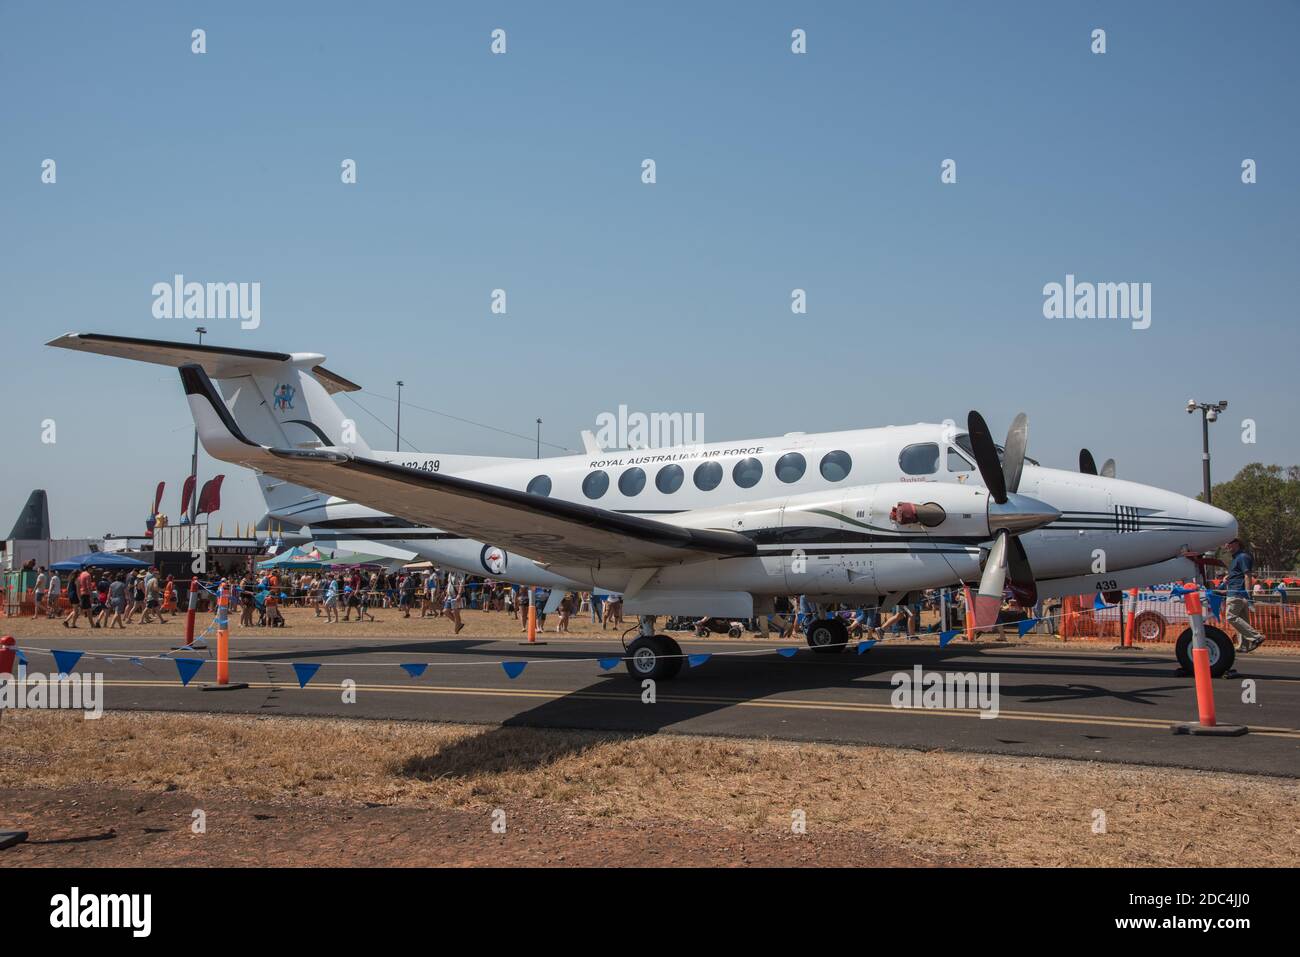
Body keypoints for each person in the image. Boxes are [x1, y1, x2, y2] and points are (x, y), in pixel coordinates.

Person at [1223, 537, 1266, 653]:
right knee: (1242, 619)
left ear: (1236, 543)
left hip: (1237, 592)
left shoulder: (1242, 557)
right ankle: (1243, 646)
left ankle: (1256, 637)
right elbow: (1240, 574)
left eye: (1228, 543)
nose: (1226, 546)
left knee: (1230, 616)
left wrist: (1247, 593)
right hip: (1237, 592)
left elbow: (1247, 575)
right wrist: (1228, 577)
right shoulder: (1237, 558)